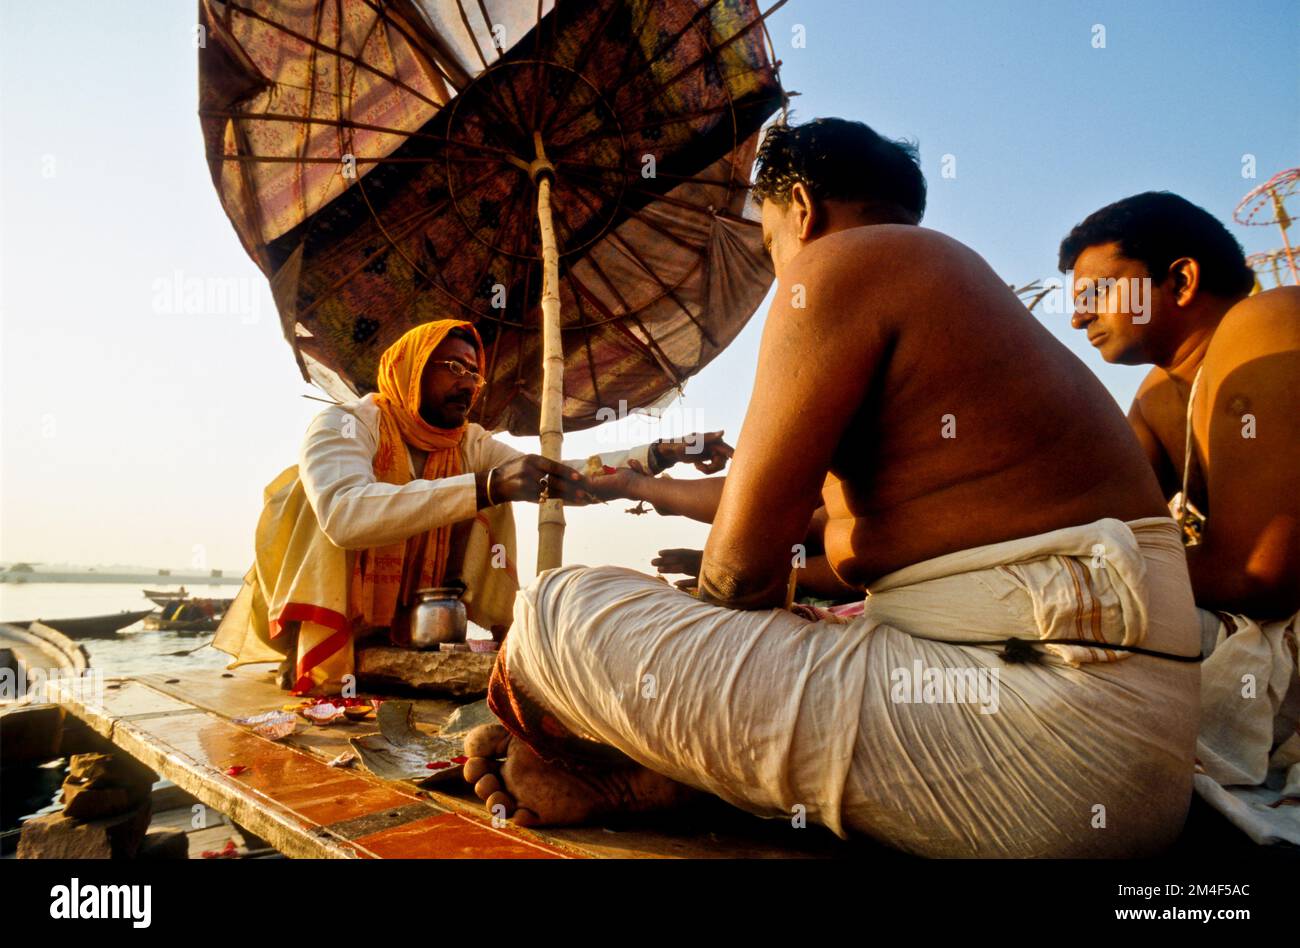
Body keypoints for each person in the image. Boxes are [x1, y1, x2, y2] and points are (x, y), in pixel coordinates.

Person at [460, 118, 1203, 857]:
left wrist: (623, 715)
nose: (778, 264)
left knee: (557, 610)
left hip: (1052, 739)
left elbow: (741, 572)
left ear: (803, 210)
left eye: (769, 241)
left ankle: (632, 773)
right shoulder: (936, 280)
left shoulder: (836, 268)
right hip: (1111, 747)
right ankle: (649, 771)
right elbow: (785, 511)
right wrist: (653, 505)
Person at [213, 319, 728, 695]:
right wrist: (485, 486)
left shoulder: (468, 441)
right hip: (312, 619)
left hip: (412, 626)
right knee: (479, 487)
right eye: (453, 367)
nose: (467, 383)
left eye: (475, 375)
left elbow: (561, 473)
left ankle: (446, 637)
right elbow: (344, 517)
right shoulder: (347, 424)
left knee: (515, 482)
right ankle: (328, 651)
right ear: (412, 369)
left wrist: (662, 453)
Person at [1059, 192, 1300, 843]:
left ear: (1182, 279)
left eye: (1098, 291)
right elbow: (1082, 526)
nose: (1078, 317)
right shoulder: (1159, 394)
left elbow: (1261, 575)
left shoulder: (1266, 323)